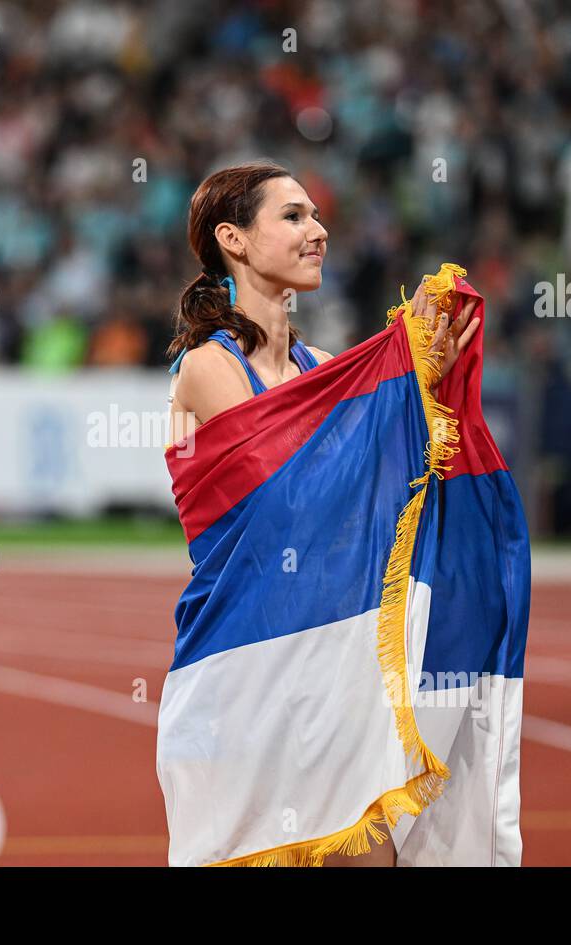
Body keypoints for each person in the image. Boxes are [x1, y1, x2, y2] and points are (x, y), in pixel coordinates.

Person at [162, 160, 480, 866]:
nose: (319, 231)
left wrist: (426, 385)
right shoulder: (207, 368)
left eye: (316, 216)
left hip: (329, 668)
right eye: (294, 217)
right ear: (234, 240)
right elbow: (293, 490)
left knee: (370, 858)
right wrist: (394, 376)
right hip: (244, 669)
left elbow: (378, 494)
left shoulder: (324, 368)